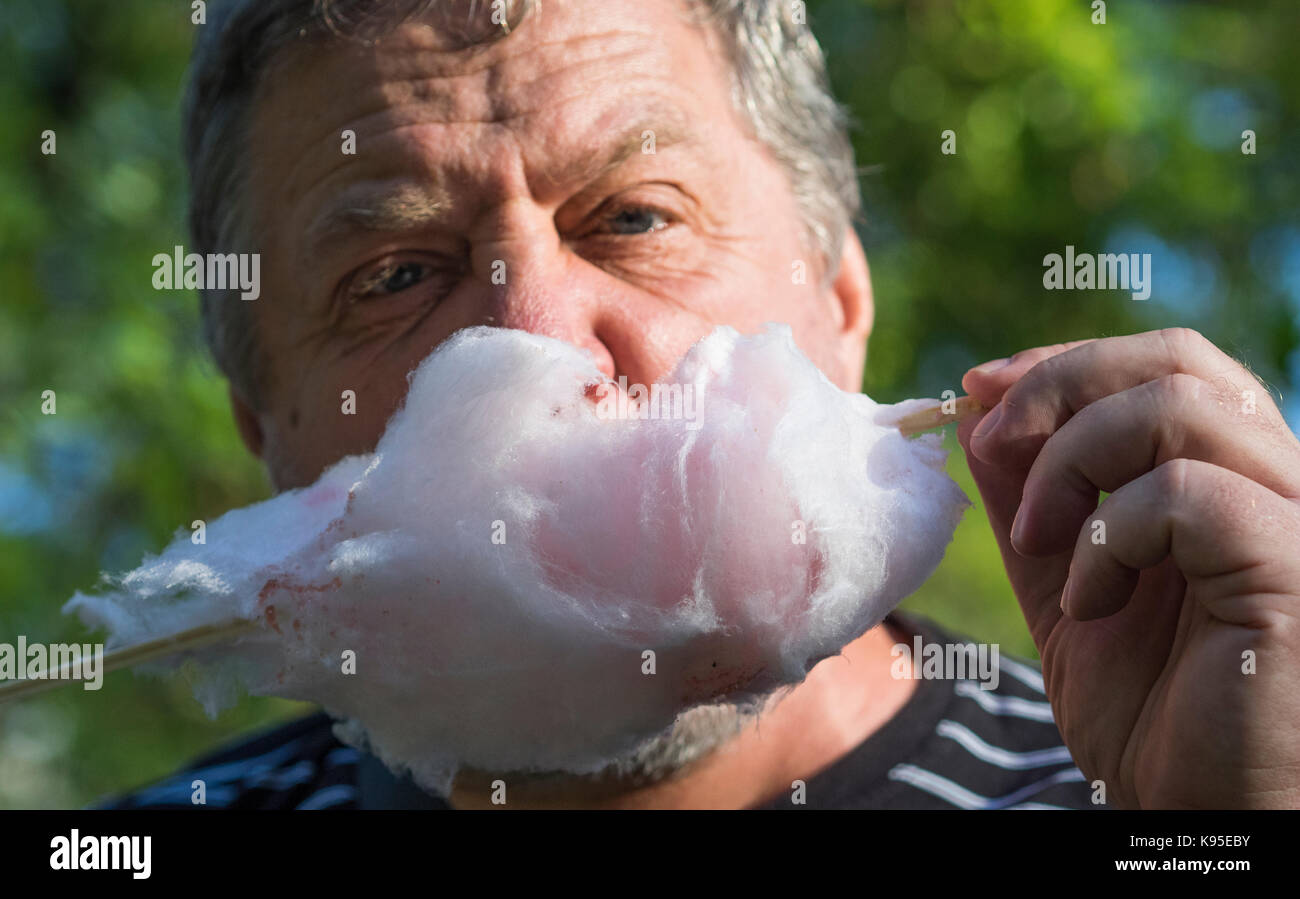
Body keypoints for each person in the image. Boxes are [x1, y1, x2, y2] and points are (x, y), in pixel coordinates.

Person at [103, 0, 1300, 809]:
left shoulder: (1155, 791)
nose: (538, 346)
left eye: (633, 217)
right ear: (266, 432)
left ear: (841, 295)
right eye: (397, 275)